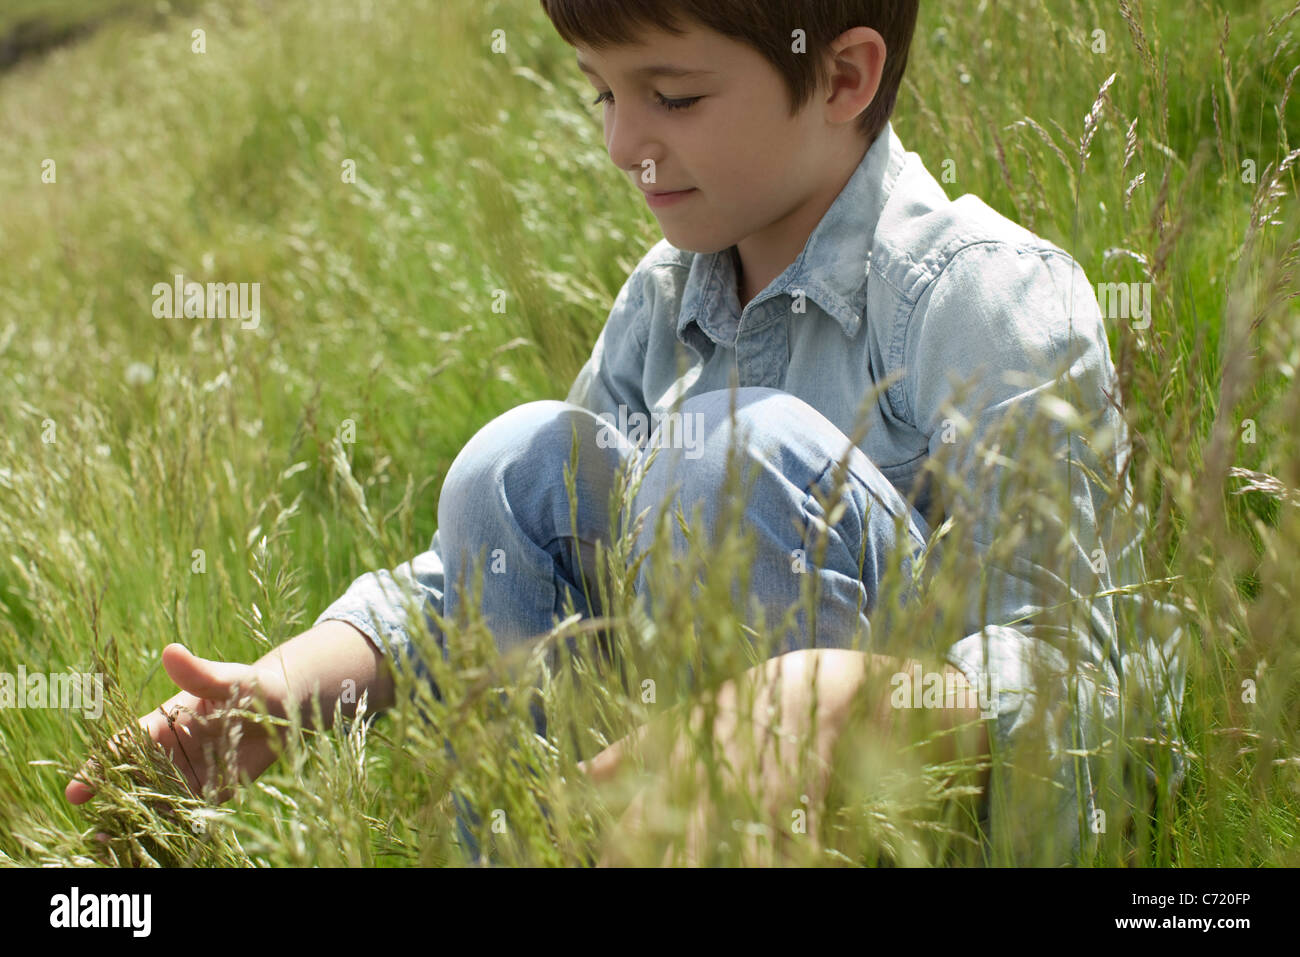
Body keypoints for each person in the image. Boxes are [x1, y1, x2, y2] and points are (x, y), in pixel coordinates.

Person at [67, 0, 1188, 866]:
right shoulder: (665, 304)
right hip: (675, 781)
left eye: (674, 96)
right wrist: (289, 687)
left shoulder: (976, 301)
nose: (621, 142)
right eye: (602, 92)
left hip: (926, 801)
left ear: (842, 74)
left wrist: (853, 698)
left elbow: (1073, 675)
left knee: (729, 455)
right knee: (516, 465)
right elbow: (480, 578)